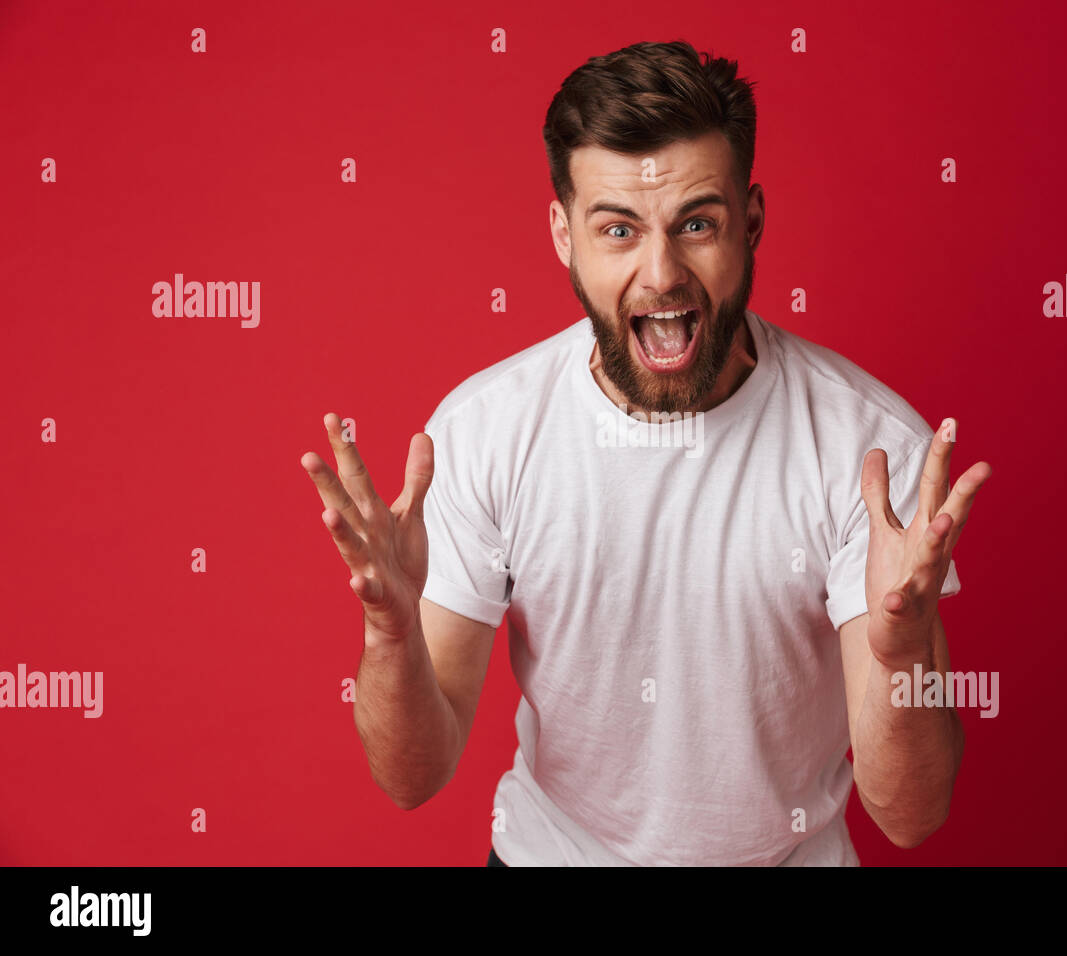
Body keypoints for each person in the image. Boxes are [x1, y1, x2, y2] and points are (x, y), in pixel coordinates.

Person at [300, 39, 991, 866]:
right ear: (564, 235)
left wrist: (904, 648)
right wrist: (389, 632)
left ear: (753, 221)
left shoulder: (869, 452)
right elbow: (412, 775)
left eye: (696, 223)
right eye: (618, 230)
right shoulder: (488, 432)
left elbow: (910, 815)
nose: (661, 273)